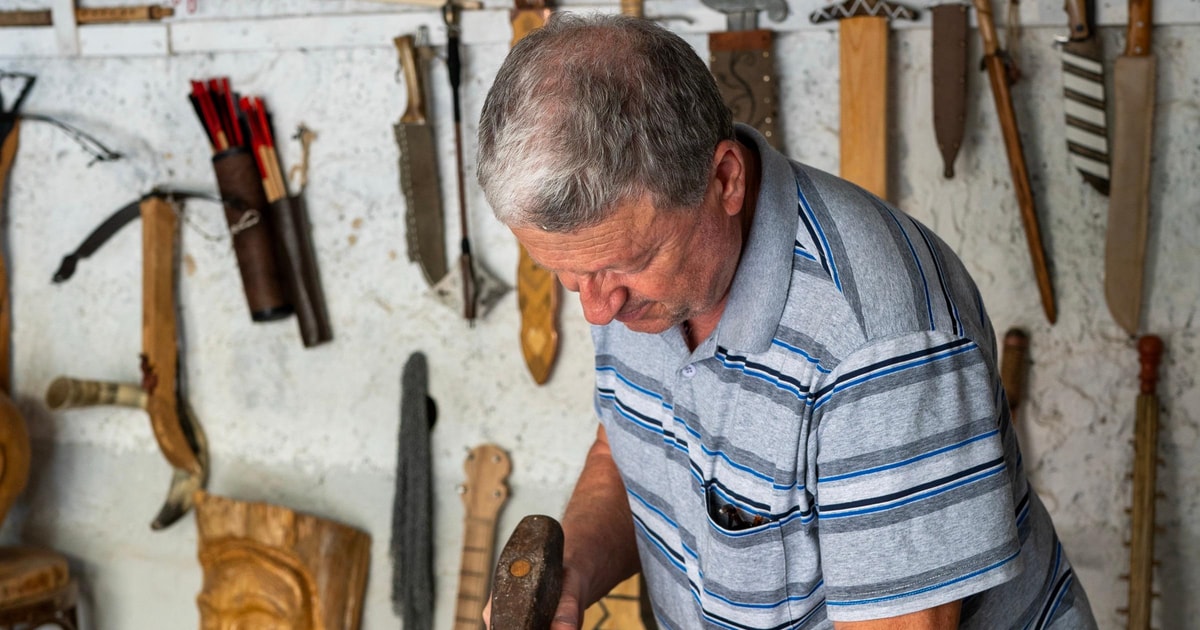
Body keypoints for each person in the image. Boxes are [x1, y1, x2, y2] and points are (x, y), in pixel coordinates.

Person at [477, 13, 1097, 629]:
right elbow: (631, 446)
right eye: (565, 273)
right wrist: (575, 575)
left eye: (624, 265)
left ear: (723, 180)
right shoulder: (624, 269)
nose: (594, 307)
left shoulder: (876, 343)